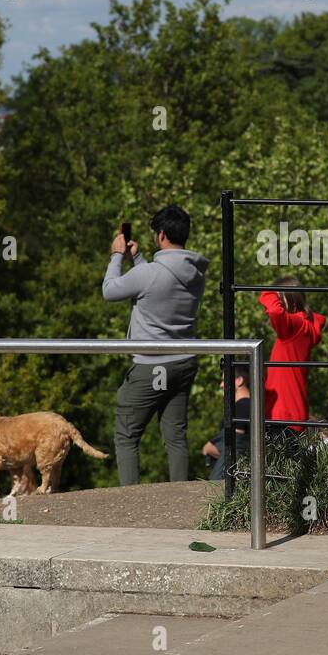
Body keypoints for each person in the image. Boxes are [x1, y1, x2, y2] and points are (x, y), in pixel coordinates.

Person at [102, 205, 208, 484]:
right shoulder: (196, 273)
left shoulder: (148, 273)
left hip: (150, 366)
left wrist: (116, 256)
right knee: (175, 436)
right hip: (183, 363)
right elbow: (161, 284)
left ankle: (131, 500)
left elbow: (110, 290)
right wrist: (137, 259)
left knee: (126, 436)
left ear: (161, 235)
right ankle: (181, 498)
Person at [258, 277, 326, 445]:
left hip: (282, 414)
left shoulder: (295, 327)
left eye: (279, 298)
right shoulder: (306, 326)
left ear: (287, 299)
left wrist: (269, 293)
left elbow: (274, 311)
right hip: (293, 413)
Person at [202, 367, 250, 481]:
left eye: (224, 380)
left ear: (239, 380)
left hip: (229, 475)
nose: (221, 385)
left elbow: (237, 446)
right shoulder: (249, 405)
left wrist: (210, 447)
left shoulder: (241, 407)